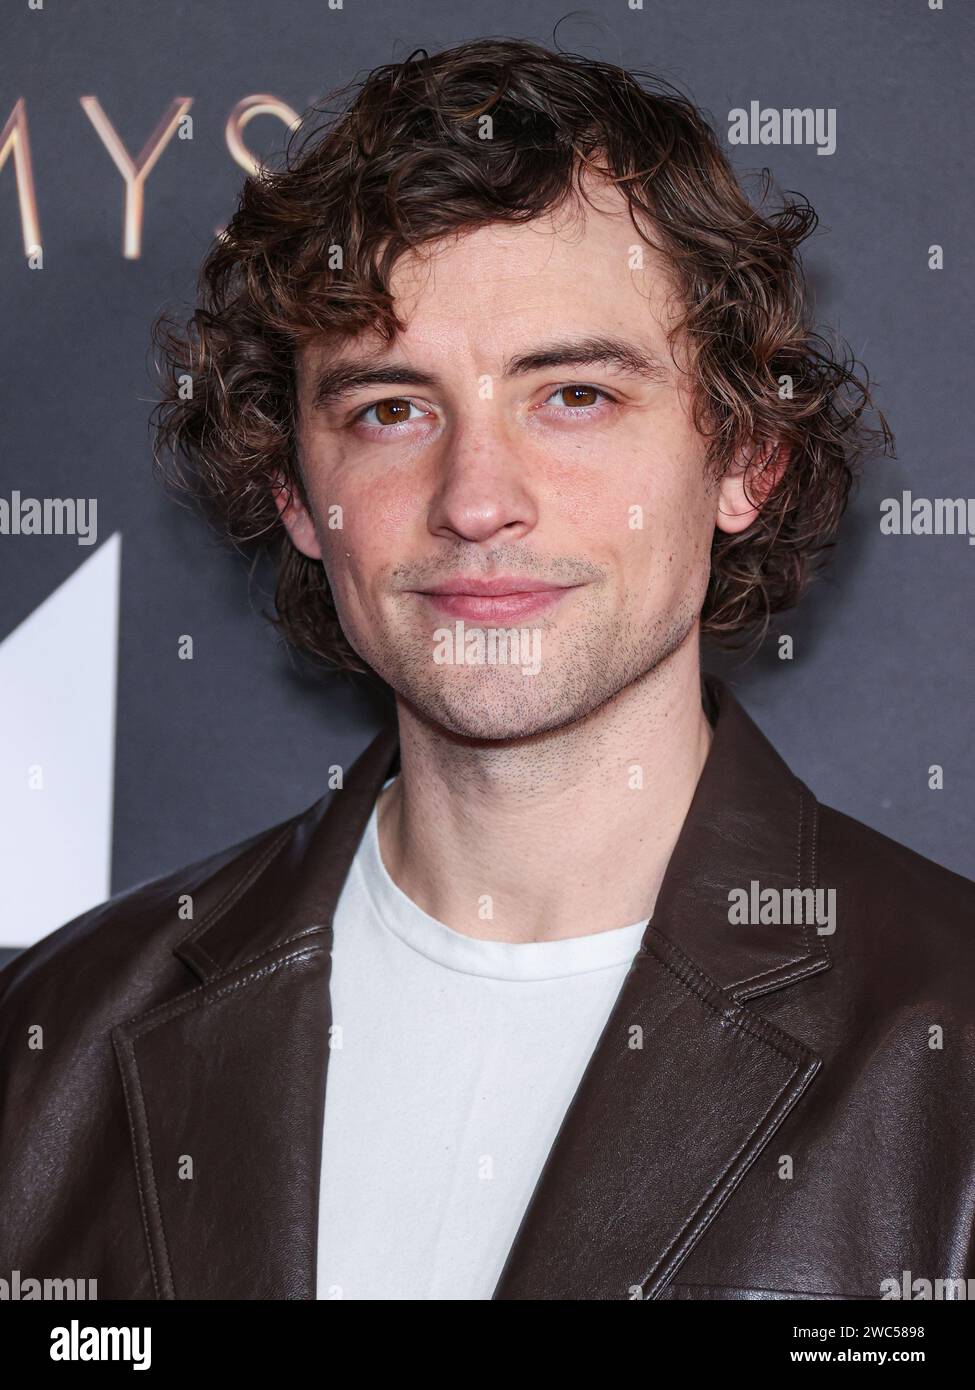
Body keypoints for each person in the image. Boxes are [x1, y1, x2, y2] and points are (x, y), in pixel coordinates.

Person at [1, 39, 972, 1303]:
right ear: (299, 493)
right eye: (389, 409)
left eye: (571, 394)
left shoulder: (947, 1047)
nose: (476, 500)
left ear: (744, 460)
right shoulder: (49, 1045)